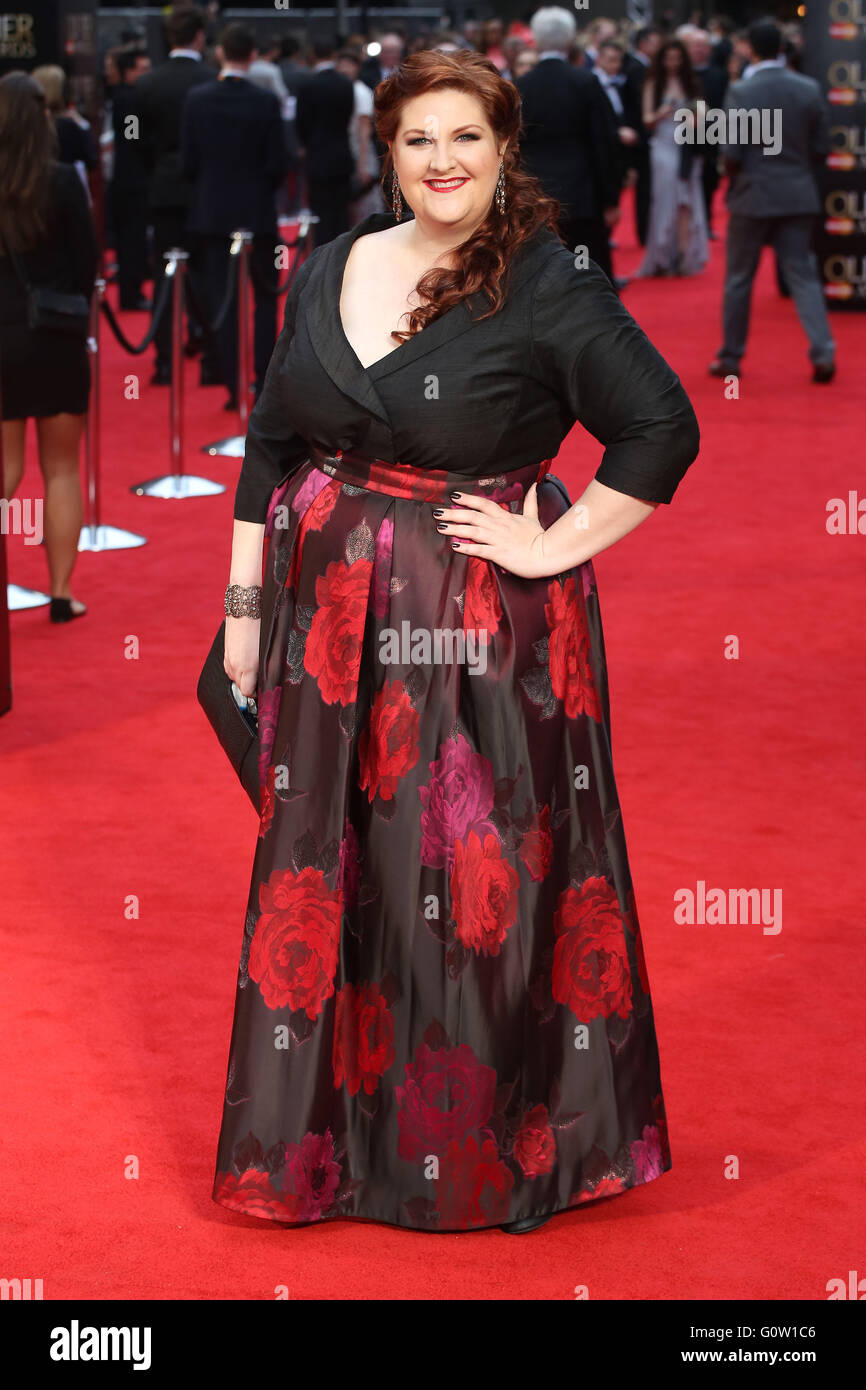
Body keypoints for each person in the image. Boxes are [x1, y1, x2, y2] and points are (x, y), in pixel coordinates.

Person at [212, 48, 699, 1234]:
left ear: (503, 150)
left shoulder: (546, 283)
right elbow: (272, 439)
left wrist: (552, 543)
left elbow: (658, 427)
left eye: (466, 139)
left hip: (473, 629)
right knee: (340, 874)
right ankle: (330, 1147)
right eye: (419, 139)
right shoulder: (333, 263)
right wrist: (242, 612)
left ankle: (472, 1153)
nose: (442, 161)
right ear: (386, 153)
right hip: (328, 631)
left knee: (471, 880)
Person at [0, 73, 98, 623]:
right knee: (61, 469)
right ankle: (60, 593)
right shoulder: (62, 180)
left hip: (2, 338)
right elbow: (86, 263)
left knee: (4, 475)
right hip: (56, 336)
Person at [710, 19, 835, 383]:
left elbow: (731, 151)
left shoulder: (741, 92)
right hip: (797, 193)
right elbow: (822, 148)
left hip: (753, 196)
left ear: (751, 48)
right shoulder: (808, 88)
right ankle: (823, 351)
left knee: (739, 279)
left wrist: (736, 173)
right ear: (782, 48)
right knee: (804, 277)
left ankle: (731, 357)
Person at [181, 22, 286, 409]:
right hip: (257, 212)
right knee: (264, 301)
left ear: (221, 53)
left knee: (222, 301)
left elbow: (188, 162)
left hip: (212, 214)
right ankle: (261, 383)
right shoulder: (266, 101)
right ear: (253, 56)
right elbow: (278, 163)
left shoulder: (196, 99)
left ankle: (231, 386)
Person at [132, 3, 218, 386]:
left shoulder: (145, 84)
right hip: (204, 191)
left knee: (166, 275)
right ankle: (210, 360)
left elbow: (131, 138)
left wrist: (157, 167)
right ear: (199, 36)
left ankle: (164, 362)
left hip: (164, 191)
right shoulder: (211, 80)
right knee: (207, 275)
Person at [516, 8, 620, 284]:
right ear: (571, 39)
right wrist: (611, 197)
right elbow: (604, 142)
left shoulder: (521, 86)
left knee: (541, 275)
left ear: (535, 40)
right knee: (588, 272)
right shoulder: (586, 82)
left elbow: (512, 145)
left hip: (536, 197)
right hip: (583, 196)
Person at [636, 39, 708, 278]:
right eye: (669, 58)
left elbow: (703, 115)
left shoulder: (692, 83)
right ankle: (662, 255)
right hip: (663, 145)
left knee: (686, 200)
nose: (673, 63)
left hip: (687, 146)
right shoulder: (653, 84)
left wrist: (694, 119)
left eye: (677, 58)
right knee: (665, 199)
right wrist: (661, 114)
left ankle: (684, 253)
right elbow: (645, 120)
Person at [296, 37, 355, 247]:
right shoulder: (346, 85)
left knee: (321, 215)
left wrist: (308, 144)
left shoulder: (307, 86)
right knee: (341, 214)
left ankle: (322, 261)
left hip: (317, 156)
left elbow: (301, 123)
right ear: (334, 56)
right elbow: (347, 117)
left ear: (313, 56)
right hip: (341, 155)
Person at [109, 45, 152, 310]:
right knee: (131, 240)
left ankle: (132, 291)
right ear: (128, 72)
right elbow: (132, 137)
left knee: (133, 239)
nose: (147, 73)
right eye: (142, 69)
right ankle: (130, 294)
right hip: (131, 181)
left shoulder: (129, 97)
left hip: (131, 179)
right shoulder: (127, 100)